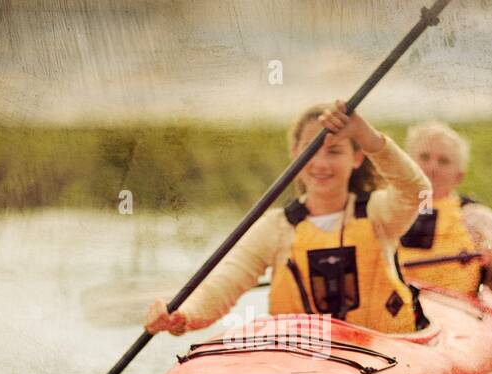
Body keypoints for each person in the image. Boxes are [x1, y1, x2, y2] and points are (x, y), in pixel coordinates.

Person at [144, 101, 431, 336]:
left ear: (356, 159)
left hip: (379, 350)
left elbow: (417, 191)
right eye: (310, 150)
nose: (320, 163)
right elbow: (222, 285)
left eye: (334, 151)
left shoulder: (378, 213)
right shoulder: (275, 226)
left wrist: (367, 136)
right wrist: (182, 315)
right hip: (298, 361)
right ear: (295, 154)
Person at [399, 121, 492, 314]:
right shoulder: (382, 209)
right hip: (396, 309)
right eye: (424, 157)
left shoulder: (476, 217)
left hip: (454, 316)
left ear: (458, 176)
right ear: (407, 164)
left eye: (443, 161)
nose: (432, 167)